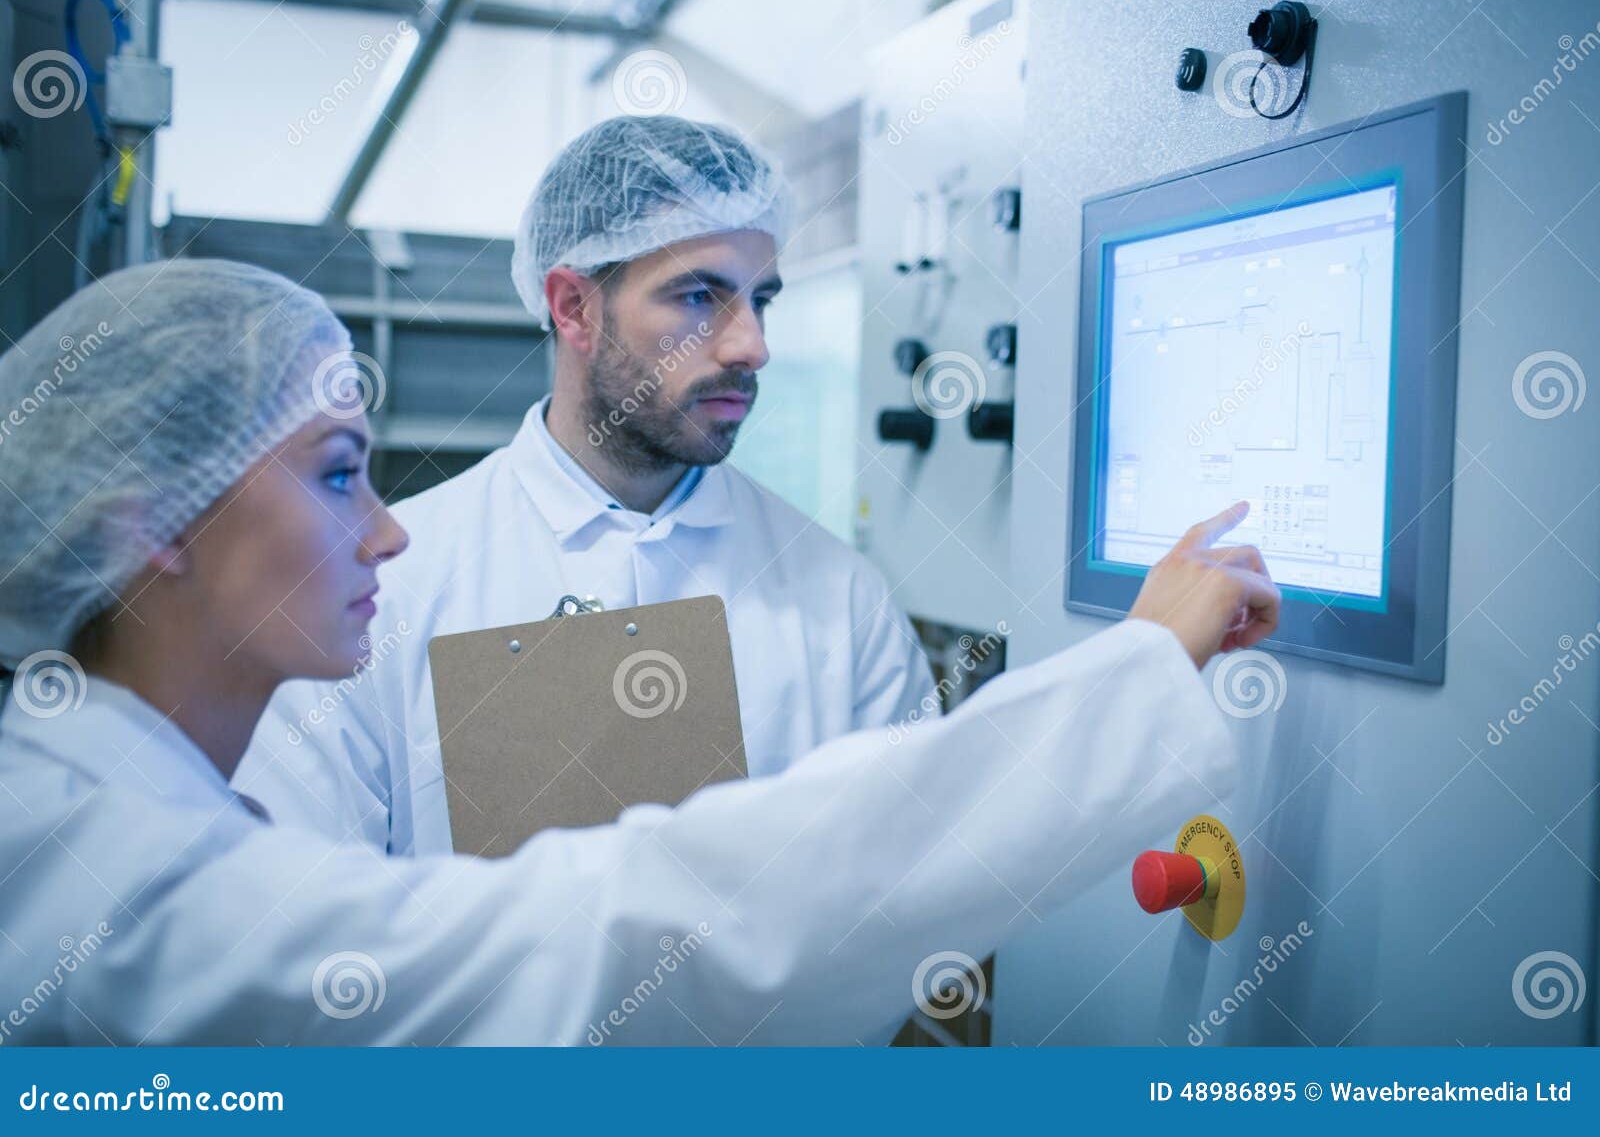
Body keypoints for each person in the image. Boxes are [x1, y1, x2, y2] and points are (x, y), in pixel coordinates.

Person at [0, 261, 1277, 1045]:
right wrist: (1132, 677)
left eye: (764, 295)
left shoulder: (96, 813)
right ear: (146, 526)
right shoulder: (117, 900)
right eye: (337, 475)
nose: (385, 530)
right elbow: (616, 936)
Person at [236, 116, 938, 855]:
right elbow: (304, 894)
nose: (751, 346)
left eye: (761, 300)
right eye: (700, 298)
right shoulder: (384, 590)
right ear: (574, 308)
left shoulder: (842, 600)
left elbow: (900, 879)